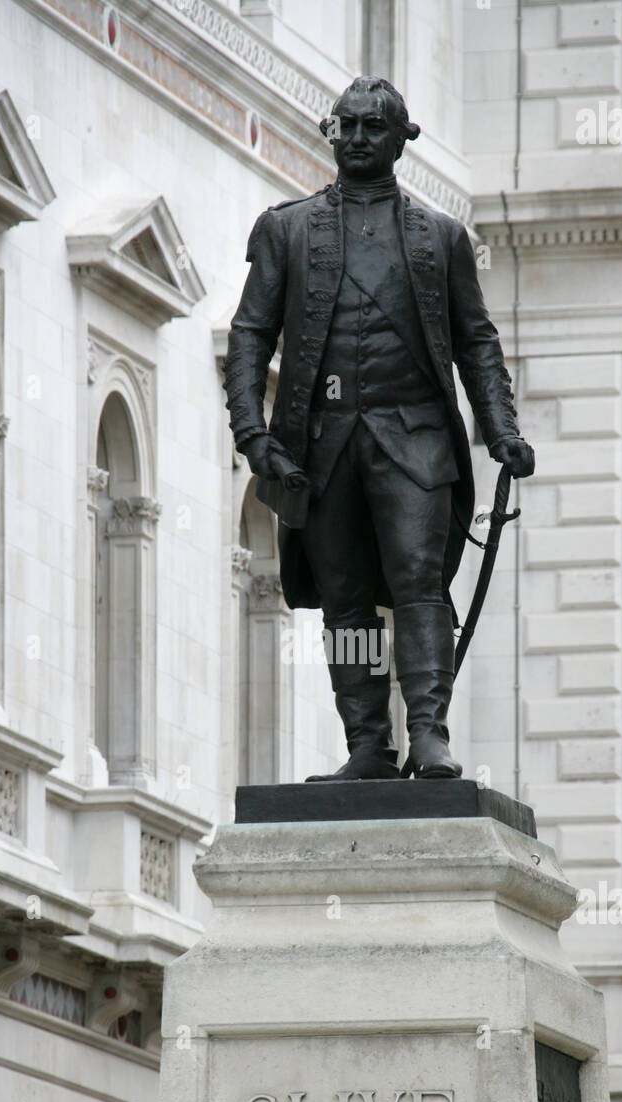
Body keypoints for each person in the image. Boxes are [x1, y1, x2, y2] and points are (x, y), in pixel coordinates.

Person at [225, 76, 535, 780]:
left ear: (401, 140)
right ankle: (368, 744)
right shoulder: (287, 229)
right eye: (349, 126)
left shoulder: (444, 238)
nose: (359, 139)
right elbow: (250, 337)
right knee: (345, 596)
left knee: (421, 583)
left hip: (416, 437)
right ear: (333, 133)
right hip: (322, 442)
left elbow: (477, 343)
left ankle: (428, 733)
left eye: (375, 127)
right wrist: (253, 434)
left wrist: (502, 430)